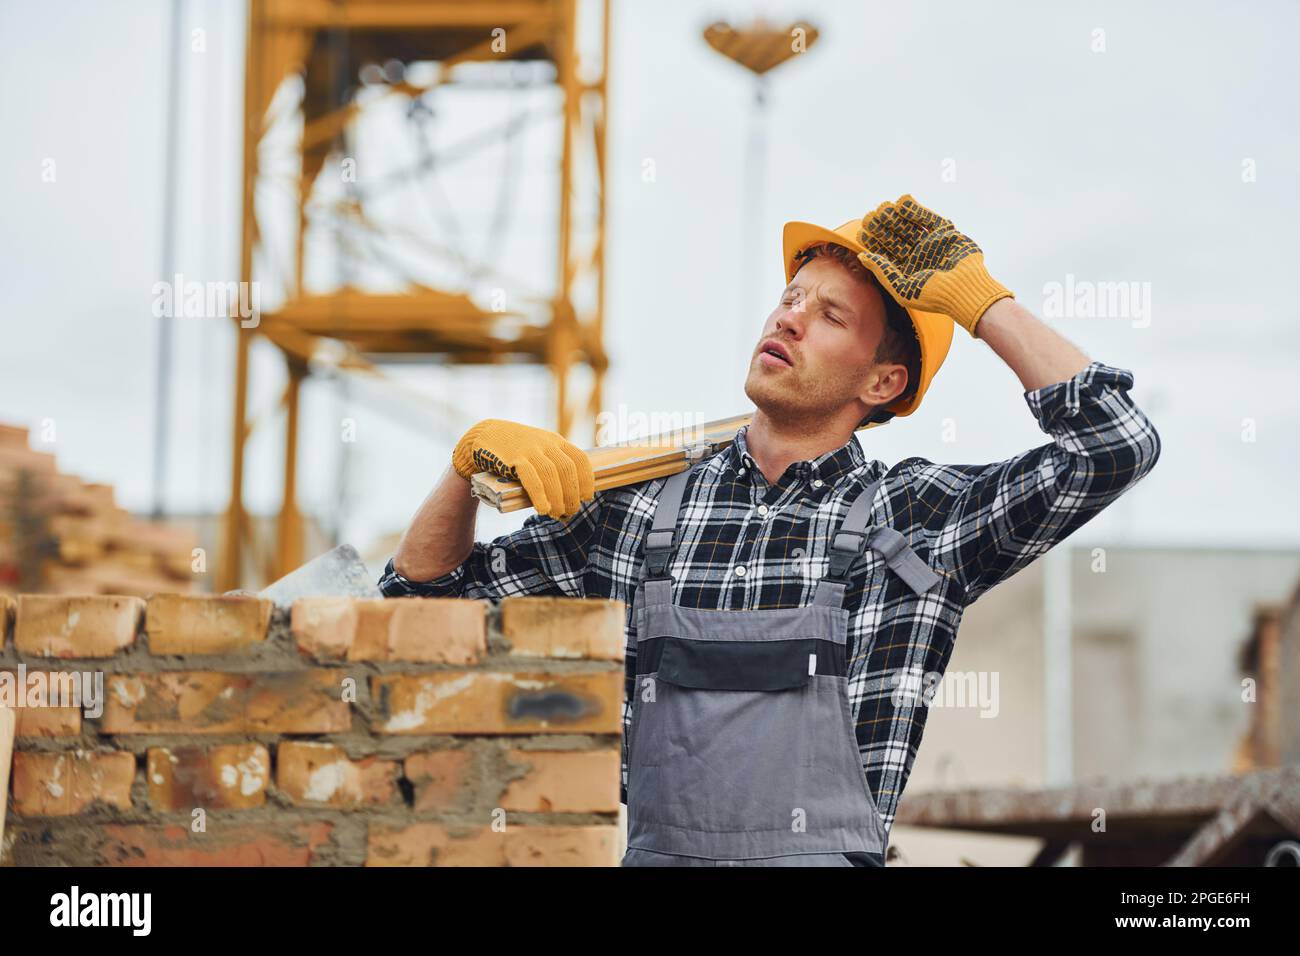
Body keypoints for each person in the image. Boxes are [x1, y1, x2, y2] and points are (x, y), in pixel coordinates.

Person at [380, 195, 1161, 867]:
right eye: (790, 297)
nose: (789, 316)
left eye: (829, 315)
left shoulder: (918, 522)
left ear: (883, 382)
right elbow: (415, 611)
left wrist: (985, 305)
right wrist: (464, 475)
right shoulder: (638, 510)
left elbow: (1116, 446)